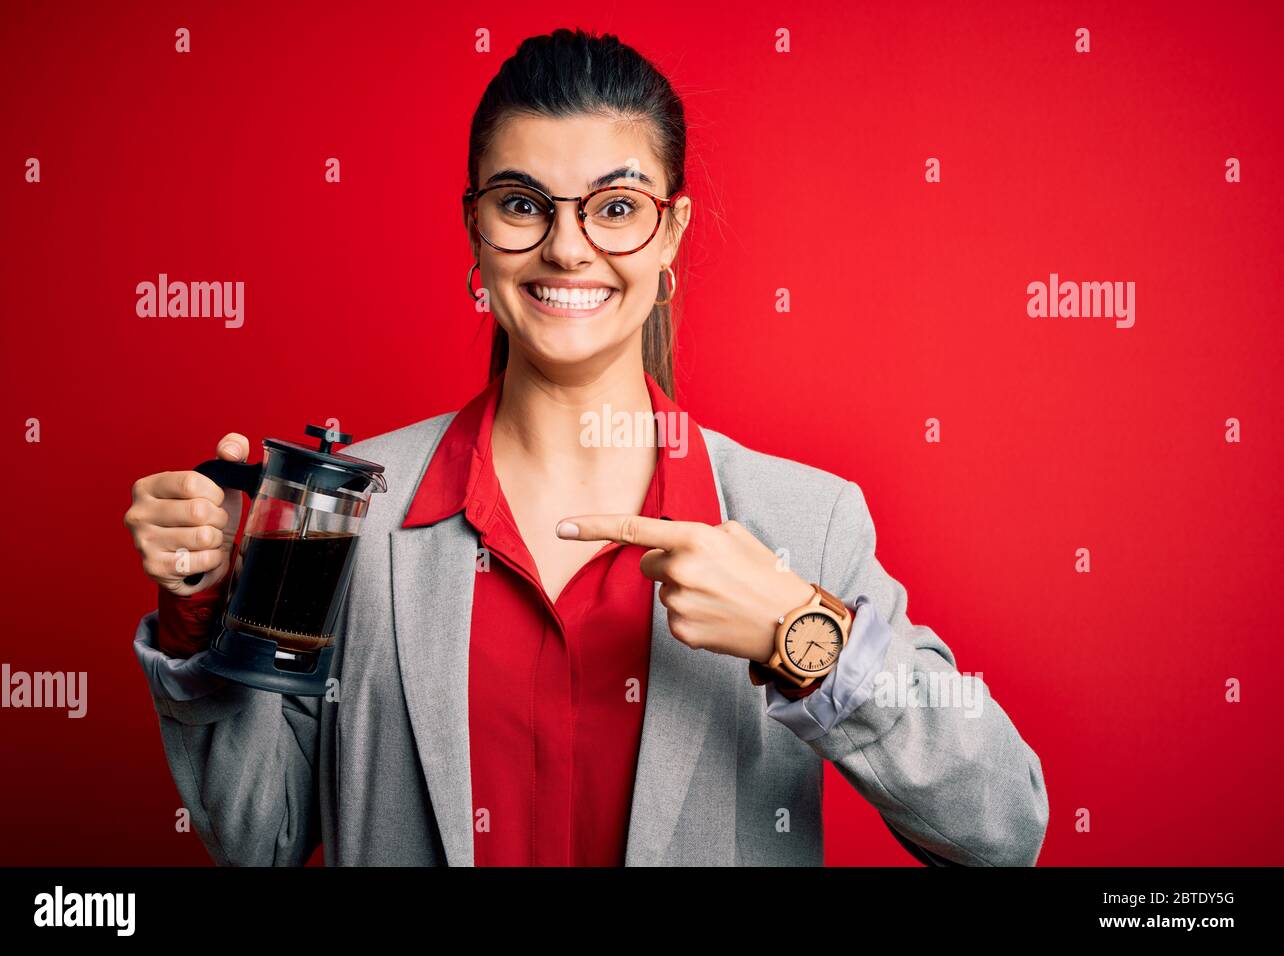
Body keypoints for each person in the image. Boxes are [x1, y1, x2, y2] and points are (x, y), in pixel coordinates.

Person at [123, 27, 1048, 867]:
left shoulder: (803, 522)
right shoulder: (348, 512)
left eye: (615, 207)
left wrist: (798, 636)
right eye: (524, 204)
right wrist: (199, 608)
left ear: (671, 233)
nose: (567, 248)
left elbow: (1002, 826)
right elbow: (262, 839)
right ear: (475, 227)